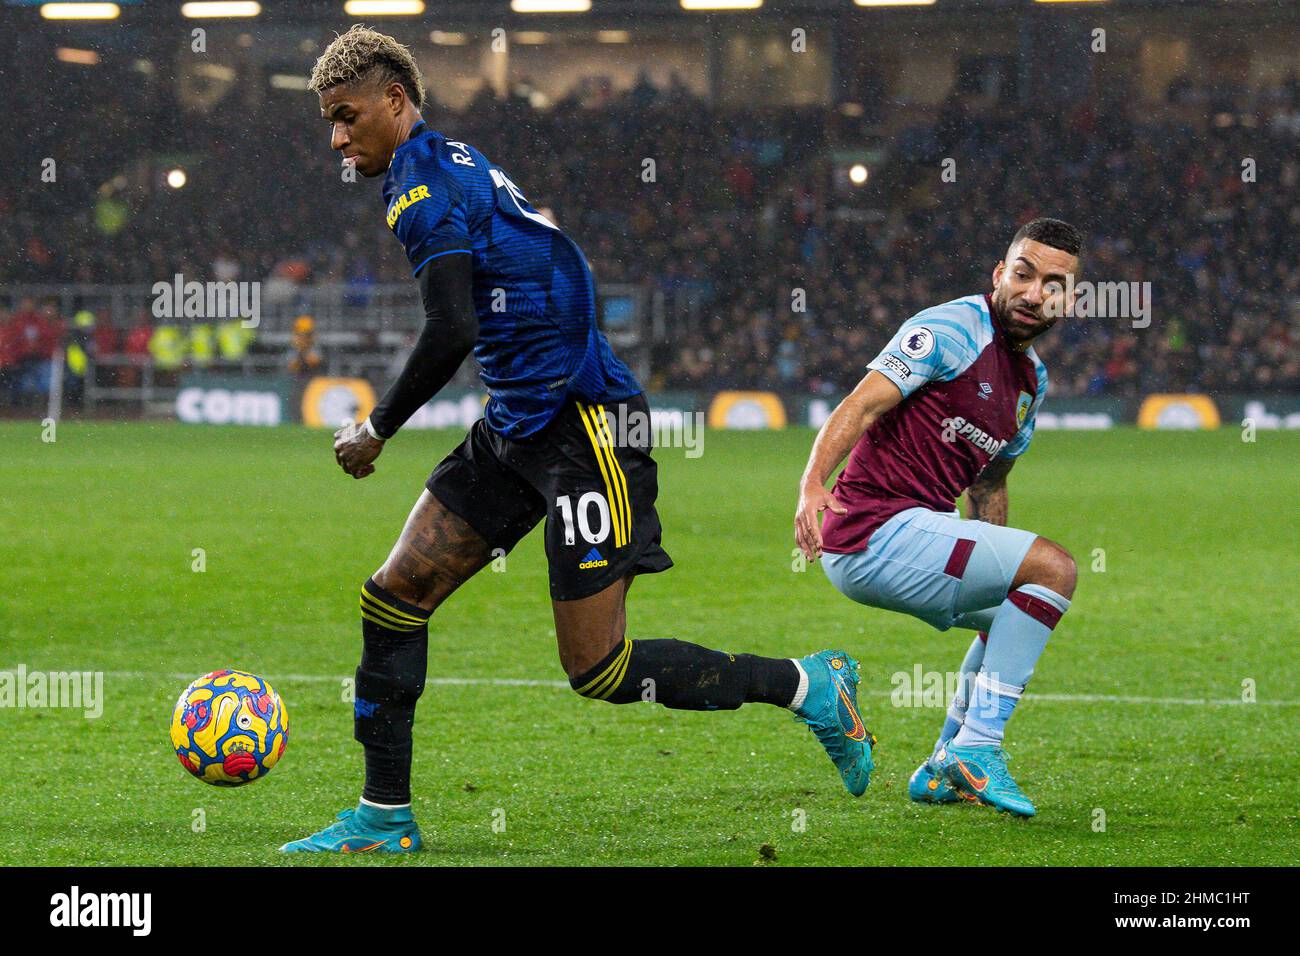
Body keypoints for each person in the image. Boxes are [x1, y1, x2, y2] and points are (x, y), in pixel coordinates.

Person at [281, 26, 873, 855]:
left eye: (346, 117)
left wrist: (376, 428)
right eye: (328, 124)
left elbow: (450, 326)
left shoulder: (419, 183)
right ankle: (384, 817)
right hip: (520, 420)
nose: (338, 140)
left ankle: (810, 686)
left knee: (599, 669)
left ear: (395, 100)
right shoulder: (453, 160)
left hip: (589, 424)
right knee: (393, 596)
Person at [793, 218, 1081, 817]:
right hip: (870, 530)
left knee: (1017, 608)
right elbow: (863, 402)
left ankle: (945, 763)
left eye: (1052, 284)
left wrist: (1000, 568)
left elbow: (990, 480)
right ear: (1000, 275)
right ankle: (979, 748)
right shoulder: (951, 328)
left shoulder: (1031, 382)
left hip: (911, 533)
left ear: (1067, 299)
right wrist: (812, 483)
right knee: (1055, 569)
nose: (1034, 293)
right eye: (1023, 275)